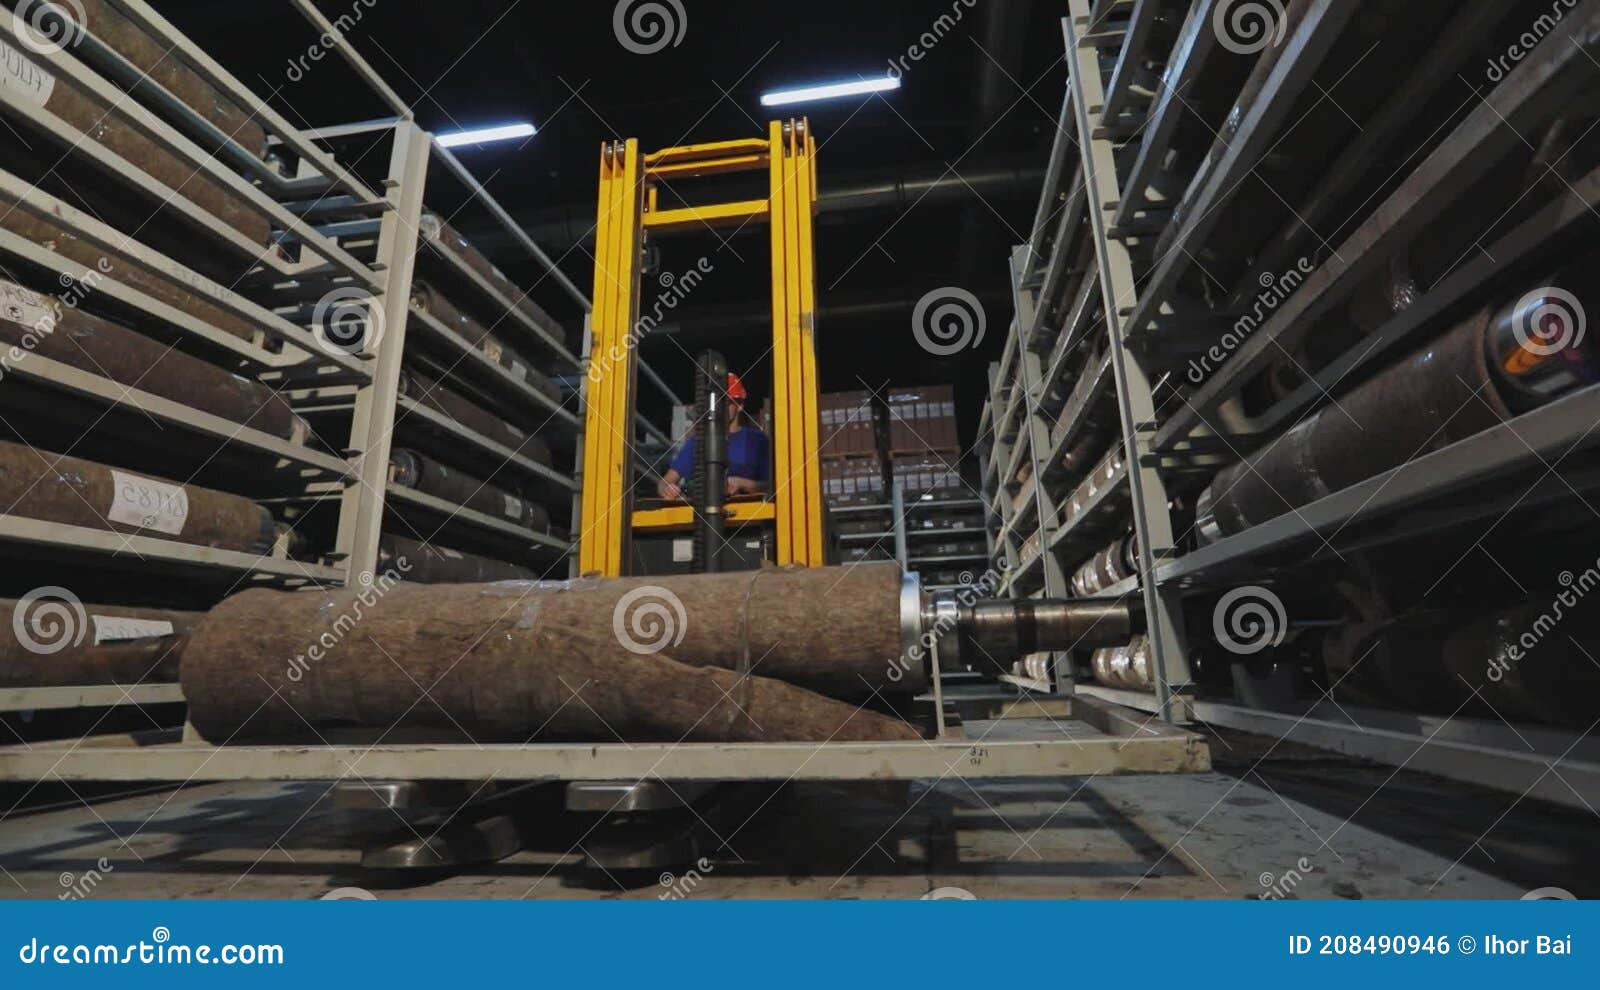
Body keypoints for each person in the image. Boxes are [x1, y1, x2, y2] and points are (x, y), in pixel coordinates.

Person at [657, 372, 770, 501]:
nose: (719, 408)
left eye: (726, 402)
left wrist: (741, 483)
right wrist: (668, 490)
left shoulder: (757, 440)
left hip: (749, 516)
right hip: (705, 517)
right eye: (716, 402)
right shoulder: (698, 441)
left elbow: (771, 485)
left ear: (740, 406)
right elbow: (664, 482)